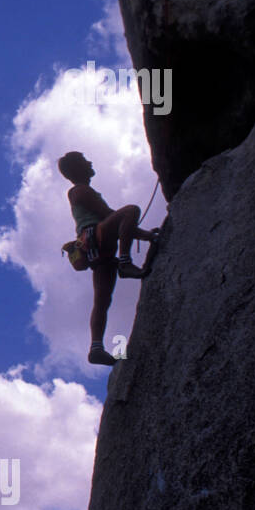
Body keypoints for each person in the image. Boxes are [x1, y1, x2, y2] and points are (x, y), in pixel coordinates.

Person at [57, 151, 160, 366]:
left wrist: (146, 235)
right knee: (131, 210)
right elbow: (109, 214)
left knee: (102, 300)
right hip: (96, 236)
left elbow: (113, 219)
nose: (91, 162)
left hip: (95, 248)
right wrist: (146, 235)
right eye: (86, 161)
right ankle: (125, 262)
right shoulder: (81, 191)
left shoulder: (78, 192)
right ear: (78, 168)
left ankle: (96, 348)